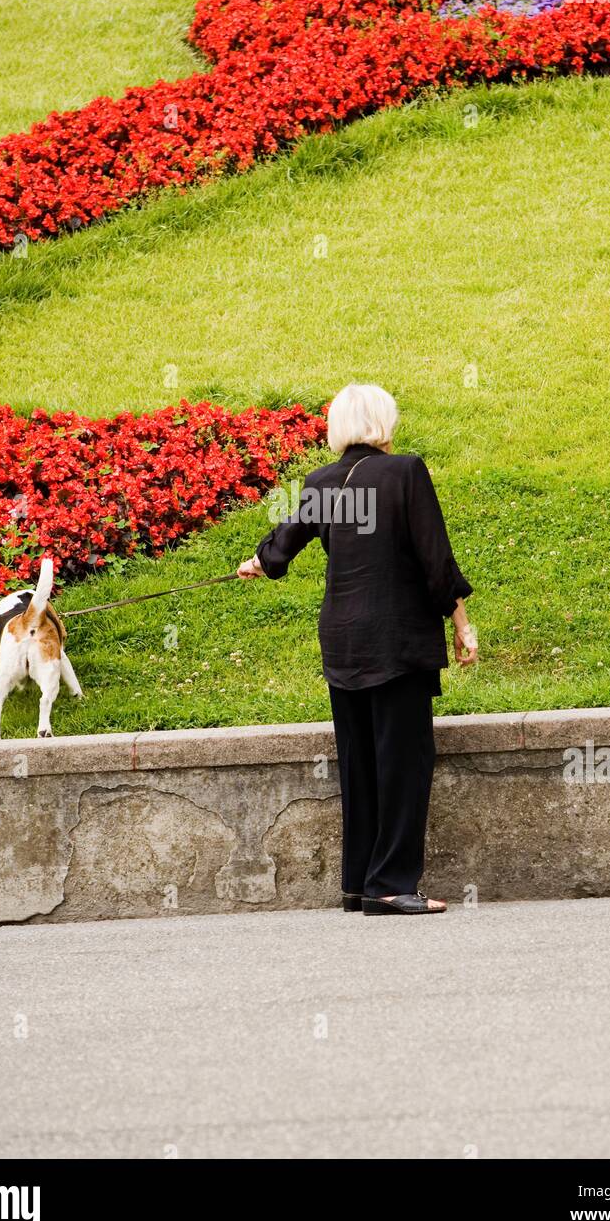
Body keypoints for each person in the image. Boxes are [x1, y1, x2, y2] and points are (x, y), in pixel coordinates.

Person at [237, 383, 477, 915]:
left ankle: (360, 883)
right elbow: (434, 559)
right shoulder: (406, 471)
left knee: (361, 762)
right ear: (382, 424)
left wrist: (259, 561)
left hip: (342, 640)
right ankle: (390, 885)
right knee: (403, 761)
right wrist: (461, 621)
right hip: (395, 639)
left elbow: (282, 546)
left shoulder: (322, 481)